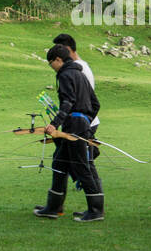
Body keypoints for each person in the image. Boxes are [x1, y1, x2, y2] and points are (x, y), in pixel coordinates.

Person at [33, 45, 103, 222]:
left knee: (80, 166)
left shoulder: (65, 74)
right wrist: (86, 122)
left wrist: (54, 124)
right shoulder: (80, 74)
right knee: (59, 162)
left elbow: (68, 102)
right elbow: (95, 104)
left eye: (52, 64)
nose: (52, 68)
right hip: (80, 123)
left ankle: (95, 211)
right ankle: (53, 208)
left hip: (73, 124)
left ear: (58, 60)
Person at [52, 33, 99, 135]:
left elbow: (78, 99)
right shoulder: (77, 67)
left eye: (59, 49)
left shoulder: (76, 69)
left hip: (80, 123)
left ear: (67, 49)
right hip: (81, 122)